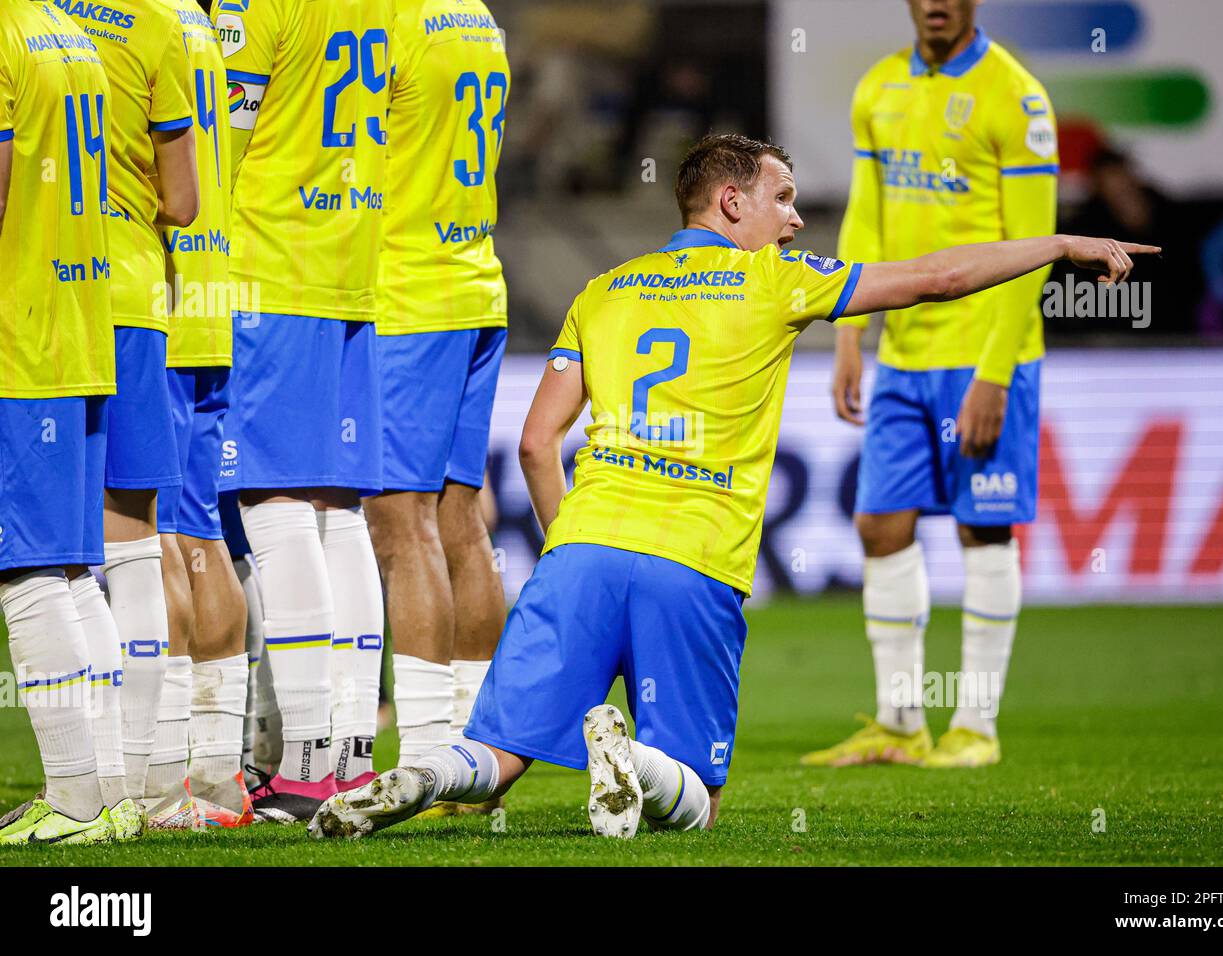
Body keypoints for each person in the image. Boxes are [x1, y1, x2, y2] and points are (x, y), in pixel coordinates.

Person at [308, 133, 1157, 840]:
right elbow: (935, 278)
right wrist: (1055, 246)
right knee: (700, 804)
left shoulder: (602, 293)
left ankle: (413, 780)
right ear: (730, 204)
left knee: (493, 760)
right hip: (695, 560)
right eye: (782, 198)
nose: (794, 220)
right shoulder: (775, 282)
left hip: (582, 552)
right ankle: (631, 762)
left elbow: (536, 444)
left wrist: (571, 541)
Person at [802, 0, 1059, 770]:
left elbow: (1036, 247)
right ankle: (901, 721)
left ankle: (975, 726)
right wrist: (849, 335)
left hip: (985, 354)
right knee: (881, 525)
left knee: (983, 529)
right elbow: (866, 223)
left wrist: (996, 372)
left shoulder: (1017, 98)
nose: (938, 3)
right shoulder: (877, 88)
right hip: (903, 357)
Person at [218, 0, 395, 822]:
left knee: (275, 500)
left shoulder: (257, 4)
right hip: (352, 273)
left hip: (271, 269)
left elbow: (223, 136)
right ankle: (353, 752)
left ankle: (302, 763)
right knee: (338, 508)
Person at [364, 0, 510, 816]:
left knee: (400, 523)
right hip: (474, 282)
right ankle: (478, 760)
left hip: (408, 296)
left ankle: (423, 761)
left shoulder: (393, 20)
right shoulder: (478, 18)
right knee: (460, 520)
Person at [58, 0, 202, 811]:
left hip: (51, 297)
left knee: (57, 548)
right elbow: (182, 203)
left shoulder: (23, 22)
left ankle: (84, 779)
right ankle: (146, 785)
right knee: (136, 534)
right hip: (136, 298)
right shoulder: (160, 27)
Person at [0, 0, 125, 844]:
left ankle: (78, 800)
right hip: (82, 324)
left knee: (29, 570)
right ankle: (107, 795)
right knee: (75, 570)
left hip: (25, 332)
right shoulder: (67, 29)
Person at [146, 0, 252, 829]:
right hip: (219, 291)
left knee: (150, 538)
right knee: (203, 531)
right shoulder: (203, 28)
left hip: (162, 295)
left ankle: (164, 774)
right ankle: (216, 773)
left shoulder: (123, 24)